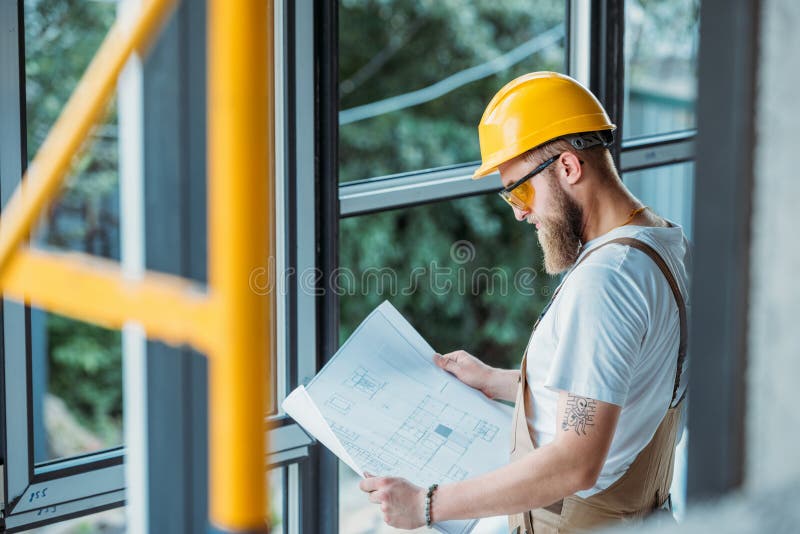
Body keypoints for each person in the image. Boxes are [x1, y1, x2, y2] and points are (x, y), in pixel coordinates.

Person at [359, 71, 690, 533]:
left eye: (520, 188)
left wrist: (426, 504)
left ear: (568, 167)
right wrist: (497, 381)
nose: (518, 211)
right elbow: (612, 389)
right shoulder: (664, 243)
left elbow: (575, 465)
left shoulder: (606, 282)